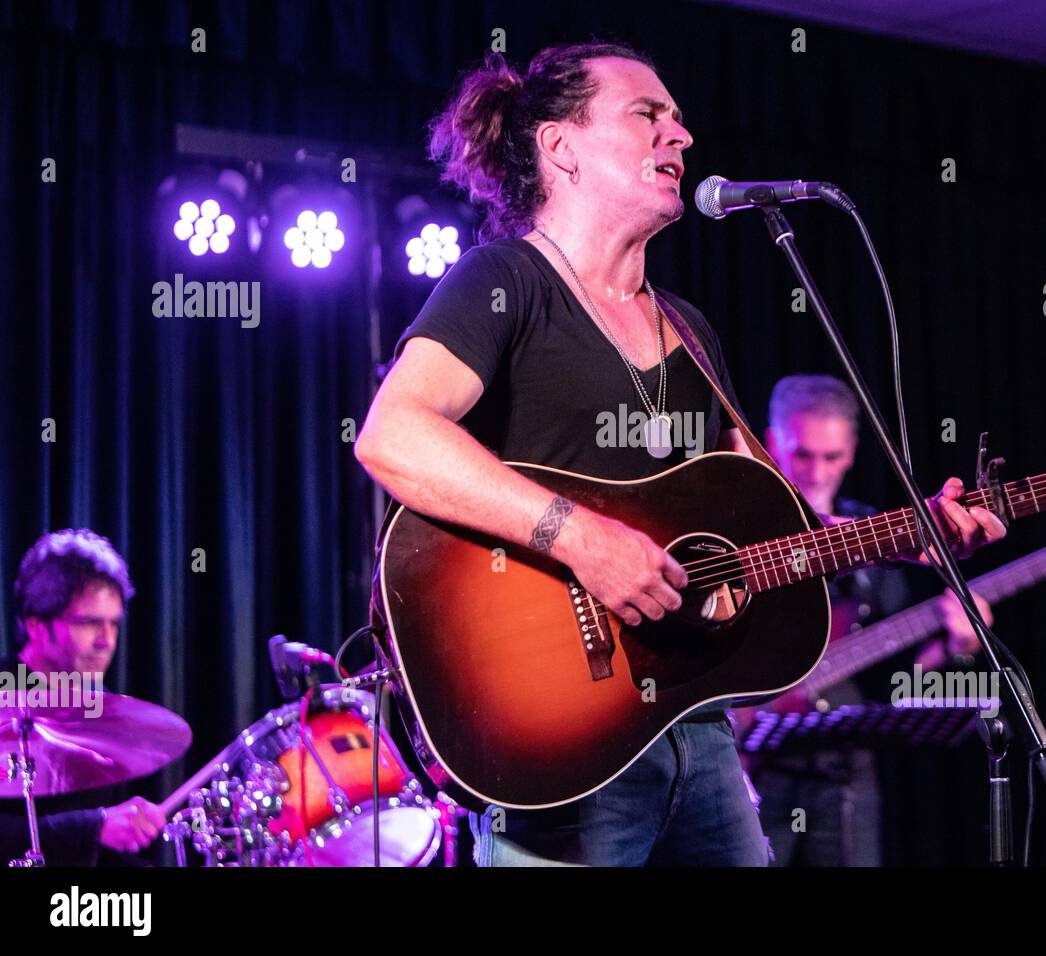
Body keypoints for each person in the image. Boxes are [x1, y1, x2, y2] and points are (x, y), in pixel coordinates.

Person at [355, 42, 1005, 866]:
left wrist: (906, 535)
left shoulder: (690, 329)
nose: (683, 137)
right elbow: (394, 435)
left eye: (679, 118)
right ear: (561, 146)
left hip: (695, 727)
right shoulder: (504, 281)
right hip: (559, 732)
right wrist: (583, 539)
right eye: (648, 115)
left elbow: (776, 527)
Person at [741, 375, 993, 865]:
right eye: (802, 455)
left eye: (831, 457)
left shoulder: (875, 538)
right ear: (772, 444)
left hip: (844, 770)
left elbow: (893, 681)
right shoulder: (747, 533)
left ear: (852, 451)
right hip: (752, 762)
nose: (816, 473)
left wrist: (953, 647)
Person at [0, 529, 166, 866]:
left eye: (113, 624)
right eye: (90, 623)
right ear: (36, 626)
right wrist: (92, 828)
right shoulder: (5, 693)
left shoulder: (102, 710)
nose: (107, 641)